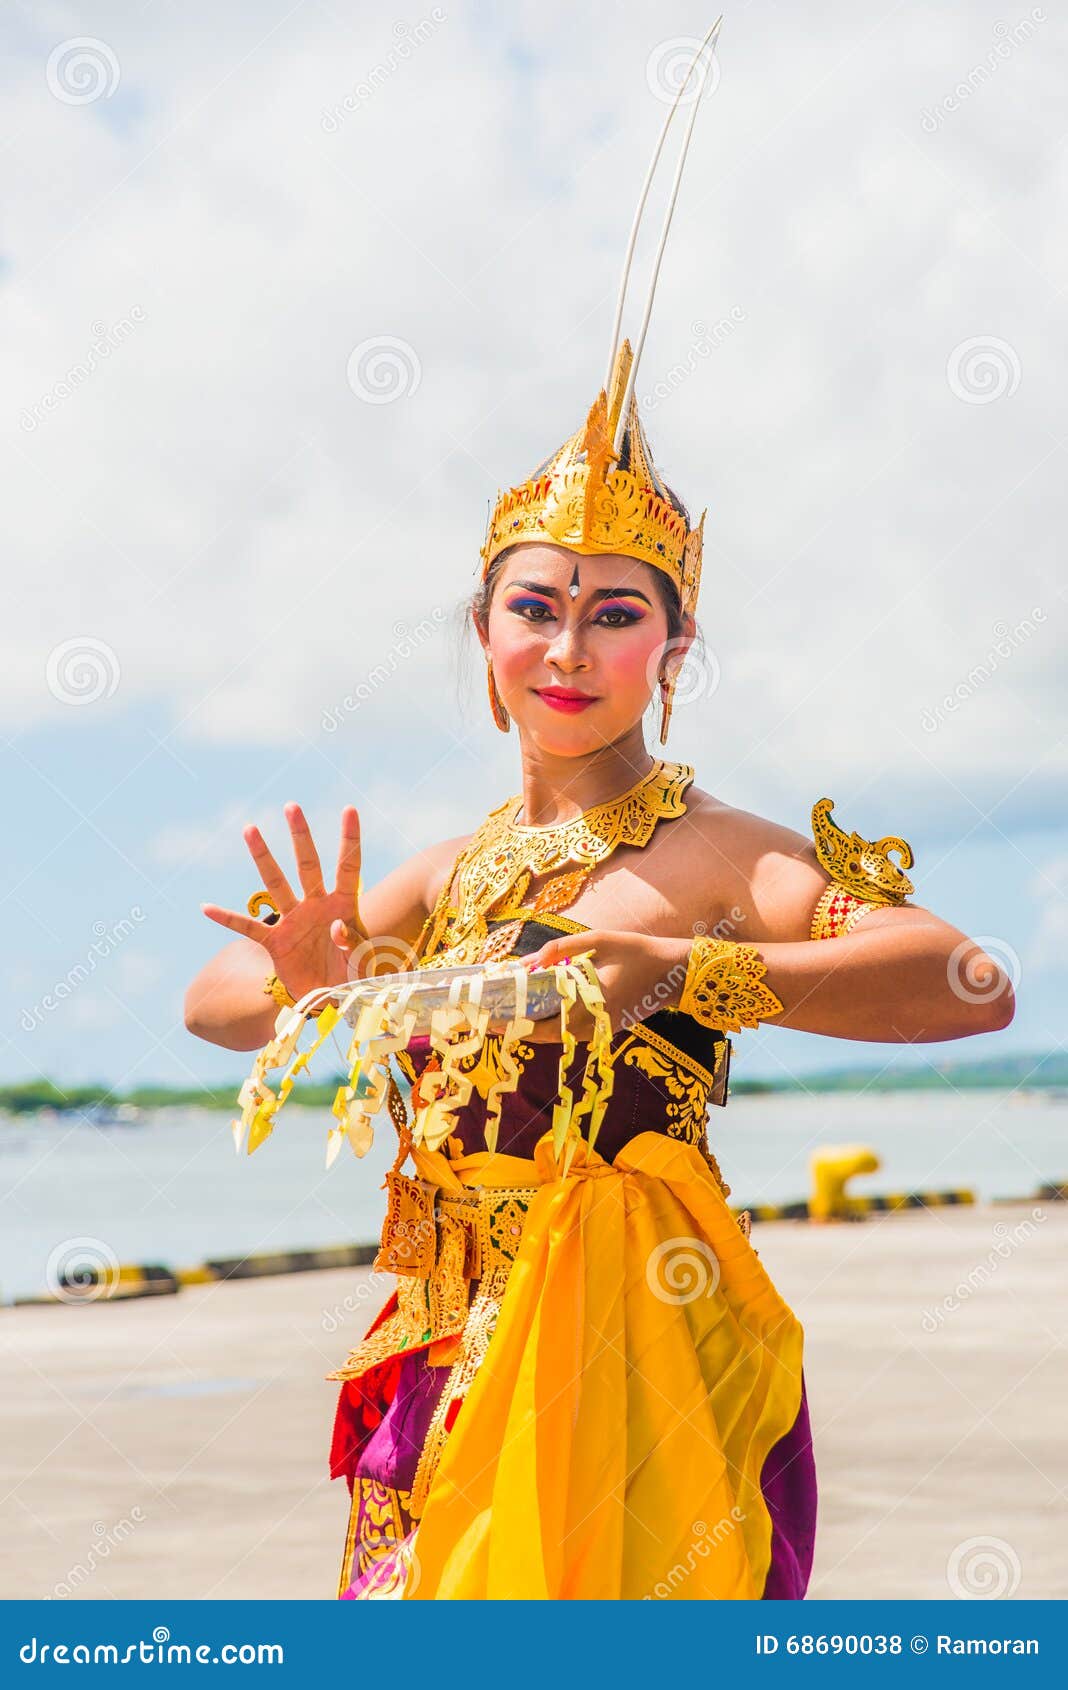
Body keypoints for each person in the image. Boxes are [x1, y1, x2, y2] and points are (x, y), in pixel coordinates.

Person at [184, 38, 1015, 1601]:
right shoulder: (450, 875)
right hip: (441, 1355)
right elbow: (214, 1001)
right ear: (486, 634)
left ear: (675, 649)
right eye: (536, 607)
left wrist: (687, 972)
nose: (569, 647)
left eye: (616, 612)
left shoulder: (718, 853)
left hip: (634, 1370)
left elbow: (970, 981)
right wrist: (313, 982)